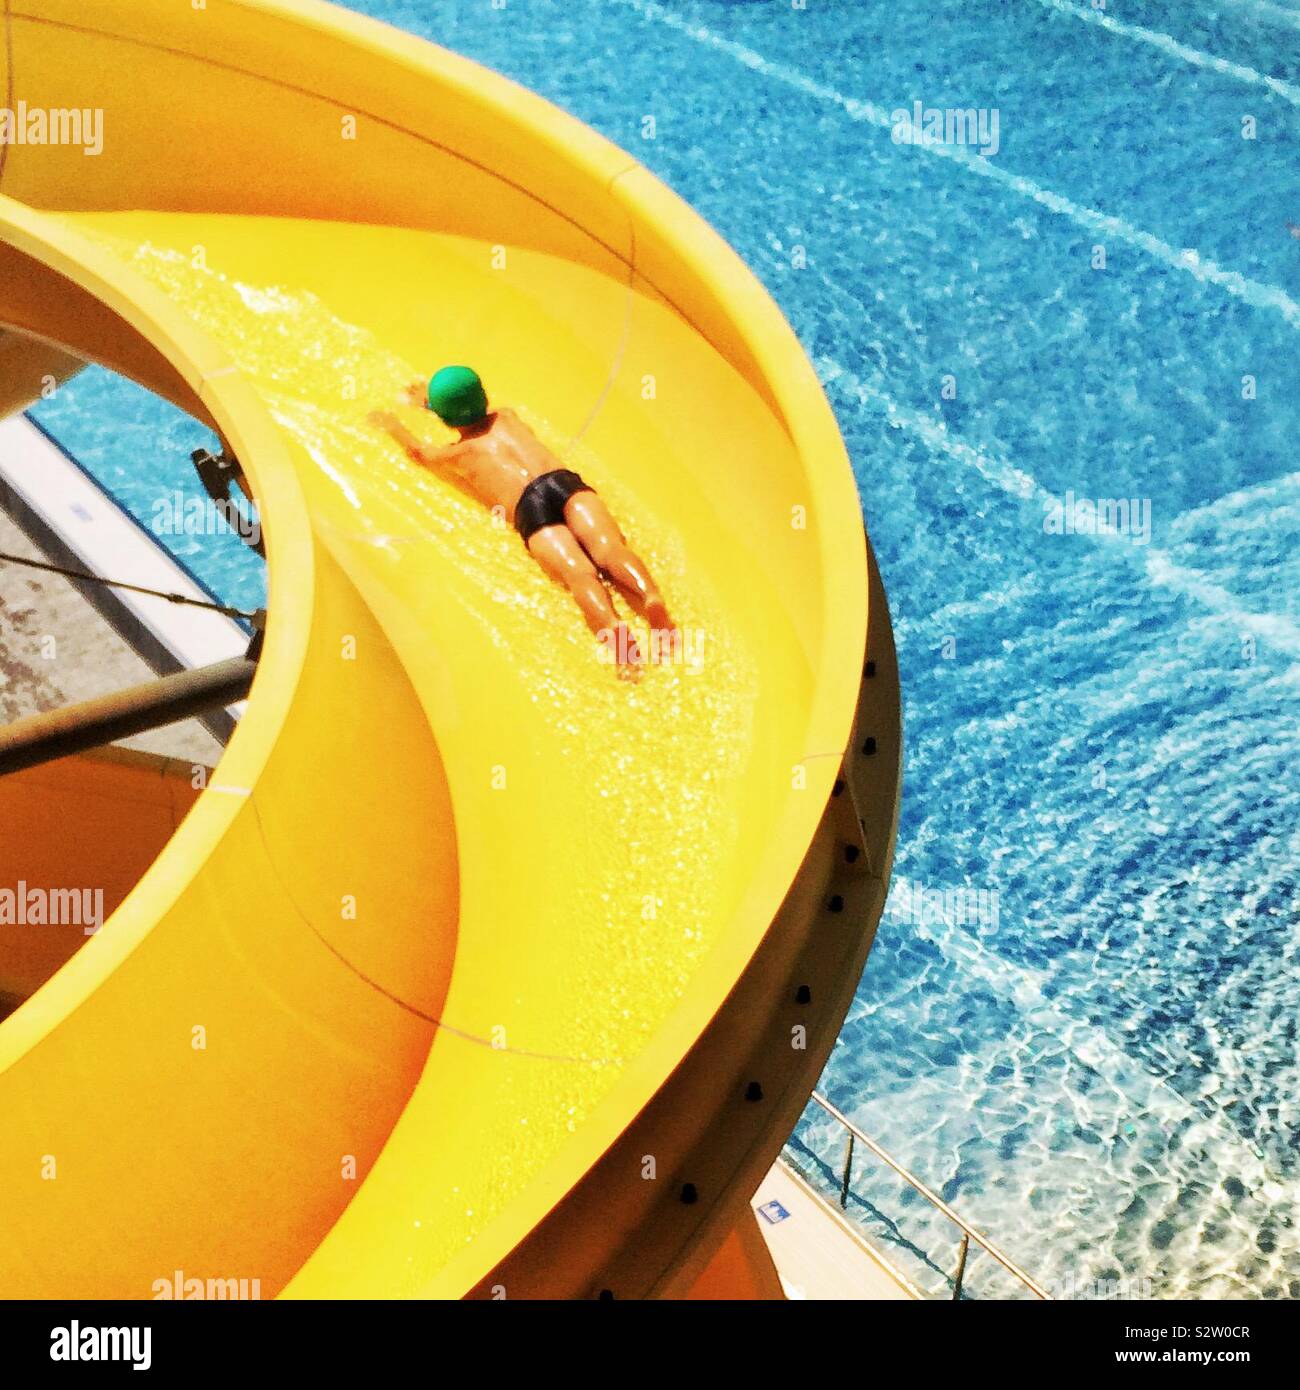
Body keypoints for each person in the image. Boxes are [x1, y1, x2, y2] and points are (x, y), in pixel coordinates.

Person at [369, 365, 672, 668]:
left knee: (579, 574)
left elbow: (420, 454)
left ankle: (617, 634)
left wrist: (392, 424)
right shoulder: (509, 417)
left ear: (444, 418)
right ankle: (651, 598)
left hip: (530, 508)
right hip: (562, 482)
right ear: (484, 396)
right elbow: (467, 408)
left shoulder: (459, 454)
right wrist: (439, 403)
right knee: (610, 549)